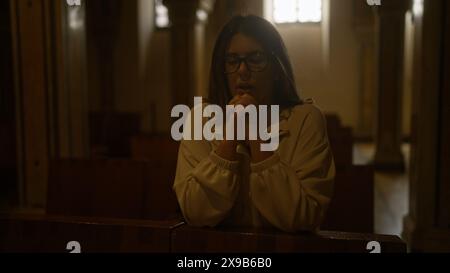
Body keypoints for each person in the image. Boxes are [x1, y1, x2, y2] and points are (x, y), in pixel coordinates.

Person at [173, 15, 335, 233]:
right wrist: (230, 138)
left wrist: (257, 137)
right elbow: (195, 211)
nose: (242, 70)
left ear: (277, 68)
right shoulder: (200, 118)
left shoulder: (305, 119)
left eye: (255, 59)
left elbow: (303, 216)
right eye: (232, 61)